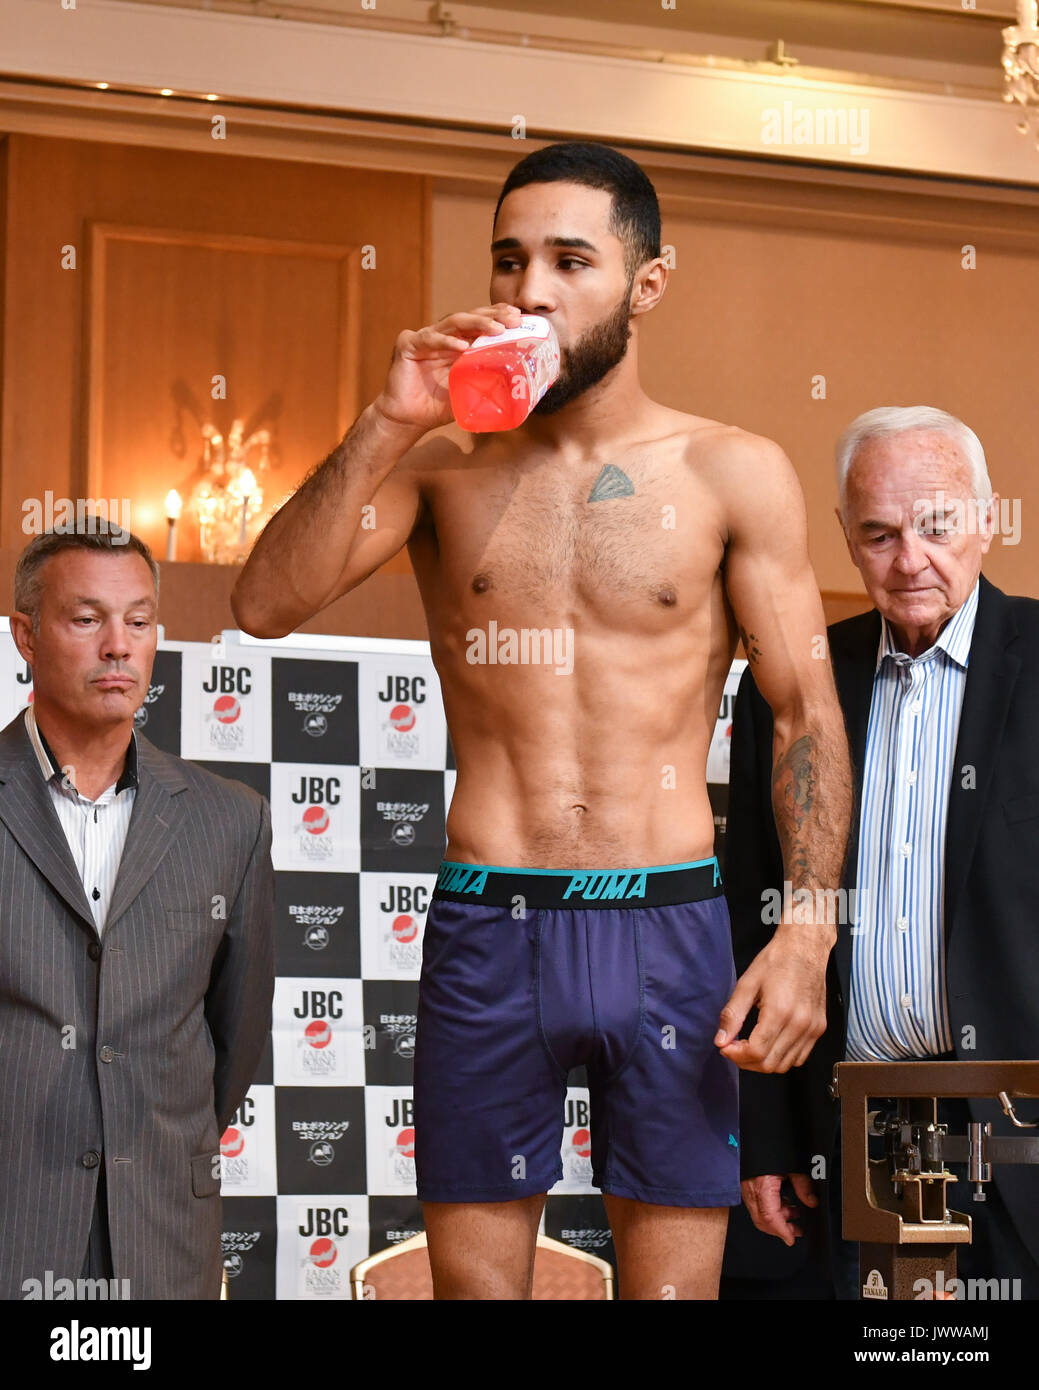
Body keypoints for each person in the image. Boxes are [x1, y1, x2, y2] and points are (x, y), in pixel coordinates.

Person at [232, 140, 851, 1300]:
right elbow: (262, 603)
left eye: (571, 260)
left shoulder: (731, 469)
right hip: (491, 924)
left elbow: (803, 711)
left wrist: (808, 931)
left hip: (666, 925)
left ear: (648, 282)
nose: (530, 291)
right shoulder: (443, 475)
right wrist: (386, 416)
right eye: (510, 261)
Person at [725, 405, 1039, 1299]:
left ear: (985, 517)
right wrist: (771, 1137)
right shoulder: (791, 685)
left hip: (1019, 1126)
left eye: (937, 526)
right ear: (844, 538)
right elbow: (755, 903)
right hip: (851, 1134)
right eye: (878, 534)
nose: (910, 561)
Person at [0, 524, 274, 1300]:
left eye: (140, 620)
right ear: (25, 634)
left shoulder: (231, 820)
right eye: (87, 619)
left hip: (160, 1236)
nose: (118, 646)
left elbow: (235, 1031)